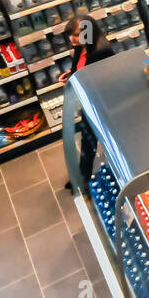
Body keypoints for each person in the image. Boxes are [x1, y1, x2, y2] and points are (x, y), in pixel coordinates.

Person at [60, 15, 114, 192]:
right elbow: (82, 66)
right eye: (70, 35)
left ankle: (83, 178)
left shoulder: (101, 51)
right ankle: (82, 177)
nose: (71, 39)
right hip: (89, 104)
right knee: (88, 141)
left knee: (94, 141)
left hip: (101, 105)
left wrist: (76, 83)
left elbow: (102, 80)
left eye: (75, 35)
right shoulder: (83, 46)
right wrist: (72, 74)